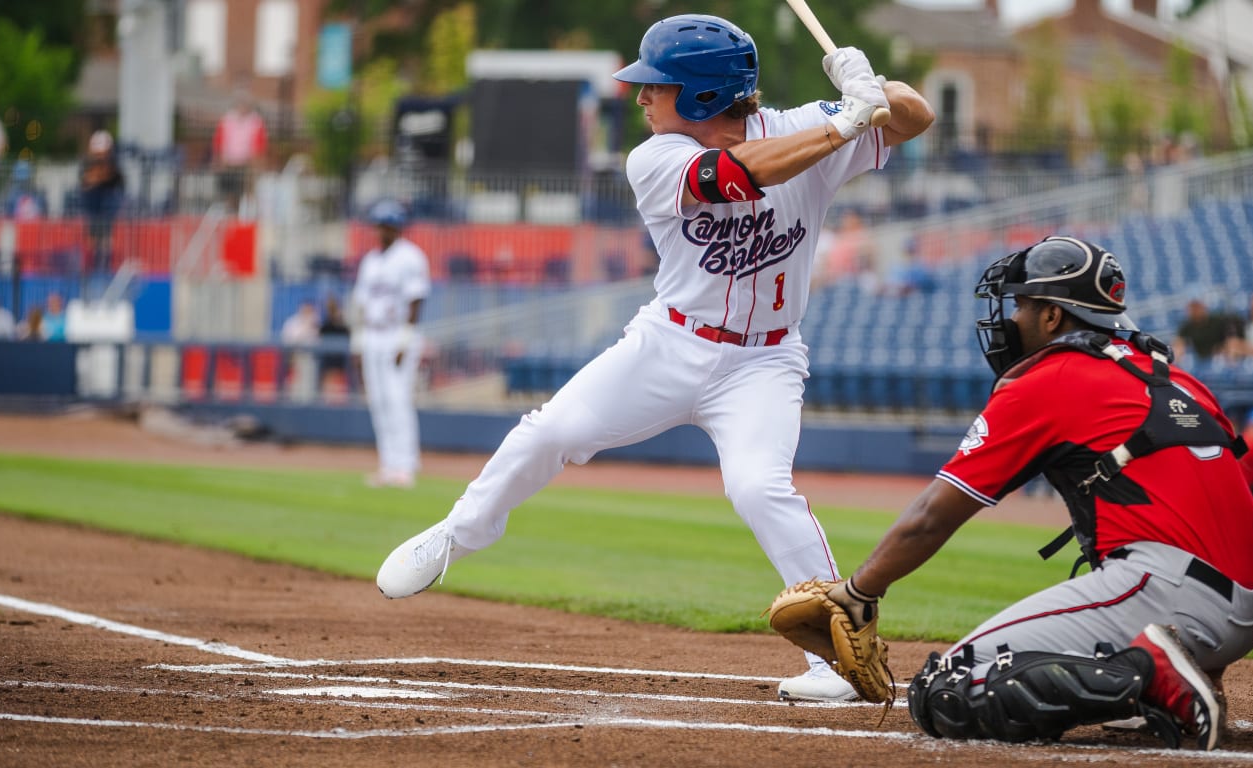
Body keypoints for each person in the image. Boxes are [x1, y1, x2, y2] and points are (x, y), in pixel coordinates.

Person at [374, 13, 933, 702]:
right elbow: (733, 175)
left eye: (655, 86)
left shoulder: (805, 127)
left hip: (764, 361)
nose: (639, 97)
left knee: (759, 487)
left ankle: (837, 660)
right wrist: (846, 123)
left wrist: (875, 88)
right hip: (670, 343)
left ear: (702, 96)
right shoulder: (657, 157)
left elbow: (917, 117)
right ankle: (460, 533)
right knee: (553, 430)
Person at [804, 237, 1253, 749]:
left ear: (1053, 316)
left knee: (944, 691)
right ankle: (1186, 676)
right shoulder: (1173, 374)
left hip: (1171, 590)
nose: (1012, 320)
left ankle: (1150, 674)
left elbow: (931, 516)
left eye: (1022, 306)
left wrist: (857, 593)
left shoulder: (1051, 377)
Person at [352, 200, 430, 489]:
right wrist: (358, 344)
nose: (382, 230)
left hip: (397, 333)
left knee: (398, 400)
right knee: (379, 401)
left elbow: (416, 300)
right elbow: (361, 304)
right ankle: (388, 463)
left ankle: (405, 465)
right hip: (373, 334)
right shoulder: (371, 260)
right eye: (380, 224)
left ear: (397, 227)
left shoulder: (410, 257)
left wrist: (405, 340)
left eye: (388, 224)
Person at [212, 92, 268, 214]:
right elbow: (219, 141)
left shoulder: (255, 122)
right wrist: (220, 160)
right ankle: (232, 216)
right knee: (231, 193)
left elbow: (260, 145)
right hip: (230, 162)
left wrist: (257, 162)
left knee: (249, 191)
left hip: (247, 162)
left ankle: (249, 216)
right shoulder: (227, 120)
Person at [79, 130, 125, 275]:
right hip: (92, 206)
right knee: (93, 238)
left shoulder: (114, 165)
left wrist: (99, 177)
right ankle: (93, 264)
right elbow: (86, 181)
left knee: (106, 239)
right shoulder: (86, 163)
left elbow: (116, 181)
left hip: (106, 208)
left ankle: (105, 265)